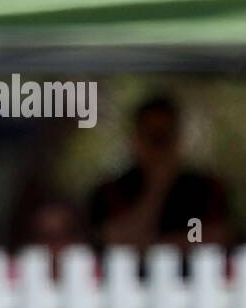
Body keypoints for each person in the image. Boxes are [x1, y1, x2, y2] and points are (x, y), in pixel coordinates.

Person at [88, 95, 231, 250]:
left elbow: (216, 238)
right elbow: (116, 242)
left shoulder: (207, 189)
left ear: (178, 139)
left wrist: (149, 245)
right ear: (136, 139)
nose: (159, 147)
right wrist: (157, 189)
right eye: (153, 137)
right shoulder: (111, 192)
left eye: (165, 136)